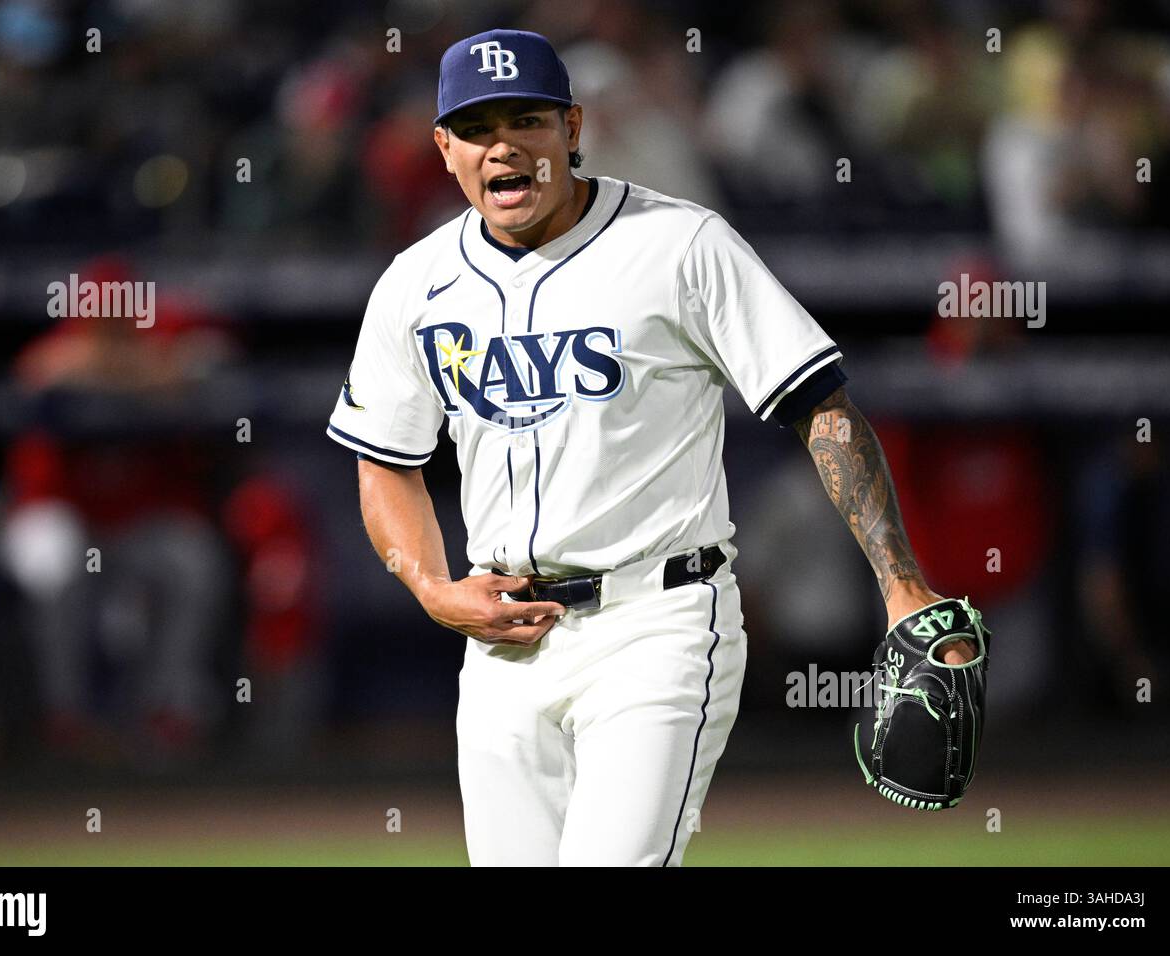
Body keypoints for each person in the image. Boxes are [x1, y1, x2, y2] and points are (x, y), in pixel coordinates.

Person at [327, 29, 976, 866]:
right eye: (479, 128)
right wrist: (430, 586)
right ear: (444, 146)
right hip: (501, 645)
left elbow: (822, 406)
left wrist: (901, 584)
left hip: (658, 621)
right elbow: (385, 459)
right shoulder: (414, 284)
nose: (505, 147)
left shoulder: (680, 243)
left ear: (572, 127)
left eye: (527, 119)